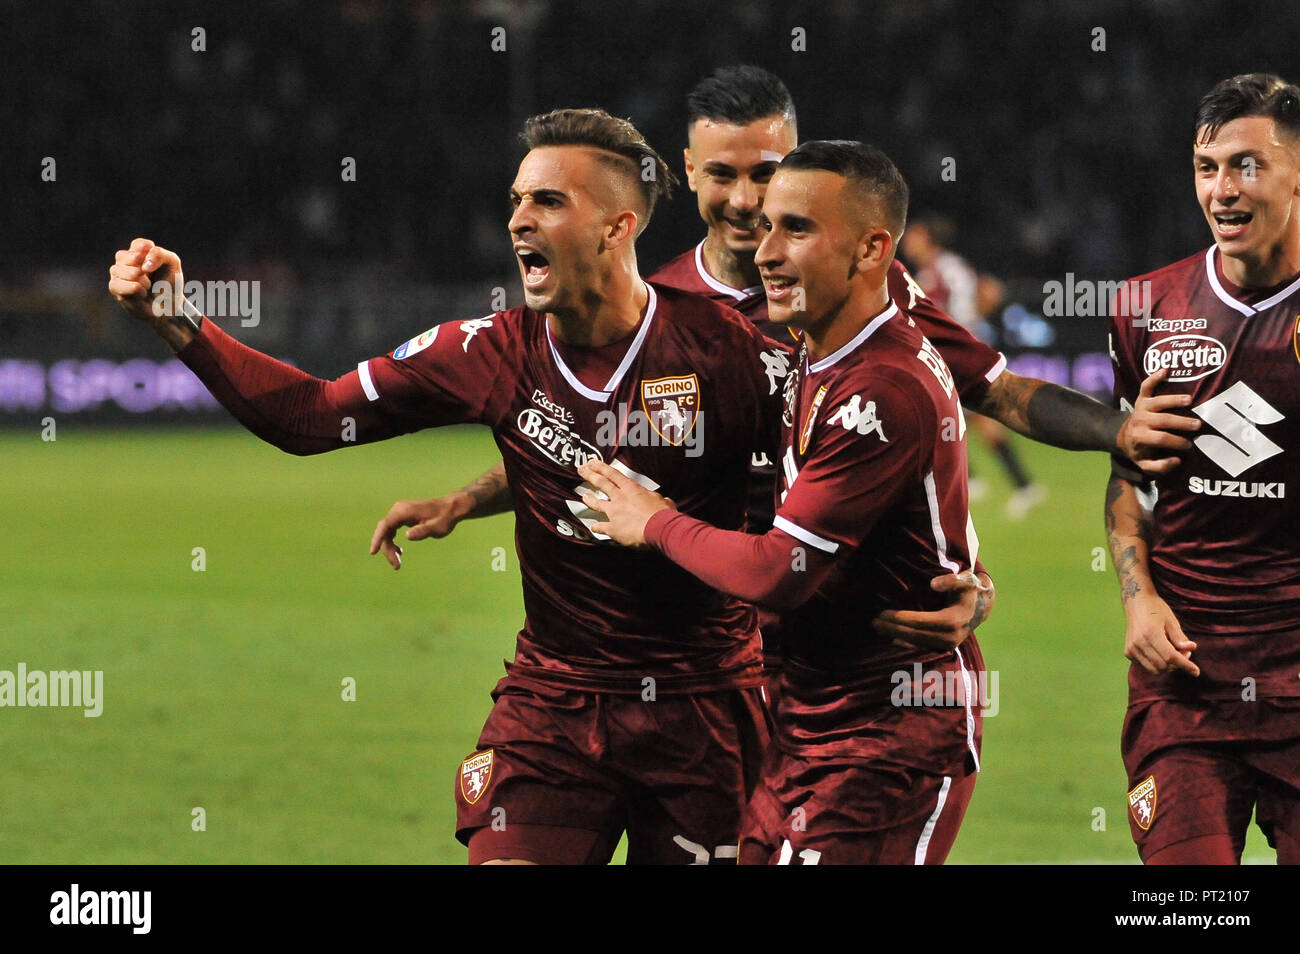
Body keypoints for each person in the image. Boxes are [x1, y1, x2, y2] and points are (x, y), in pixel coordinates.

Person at [109, 108, 799, 865]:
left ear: (617, 227)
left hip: (705, 707)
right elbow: (310, 418)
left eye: (548, 202)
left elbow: (839, 485)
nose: (519, 222)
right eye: (516, 201)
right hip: (555, 704)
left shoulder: (732, 355)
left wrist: (947, 580)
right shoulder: (481, 351)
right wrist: (179, 322)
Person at [376, 65, 1196, 661]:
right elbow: (591, 453)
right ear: (687, 174)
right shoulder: (653, 310)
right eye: (722, 176)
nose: (743, 201)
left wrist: (1115, 433)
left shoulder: (873, 291)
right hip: (716, 640)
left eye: (766, 175)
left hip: (842, 624)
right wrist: (467, 497)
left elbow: (998, 394)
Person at [580, 140, 982, 864]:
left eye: (795, 229)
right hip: (805, 714)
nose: (765, 251)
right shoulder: (813, 355)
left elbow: (779, 571)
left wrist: (656, 524)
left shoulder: (880, 389)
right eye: (766, 227)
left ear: (871, 249)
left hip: (886, 732)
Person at [1105, 72, 1300, 864]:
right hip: (1183, 682)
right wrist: (1137, 598)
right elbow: (1130, 479)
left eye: (1247, 165)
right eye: (1207, 166)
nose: (1222, 188)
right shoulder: (1145, 308)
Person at [901, 215, 1046, 519]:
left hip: (956, 351)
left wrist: (963, 337)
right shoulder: (932, 270)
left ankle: (1002, 484)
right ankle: (997, 483)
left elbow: (982, 296)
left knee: (939, 414)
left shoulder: (946, 268)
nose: (908, 241)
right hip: (949, 350)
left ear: (928, 237)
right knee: (961, 417)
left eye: (914, 235)